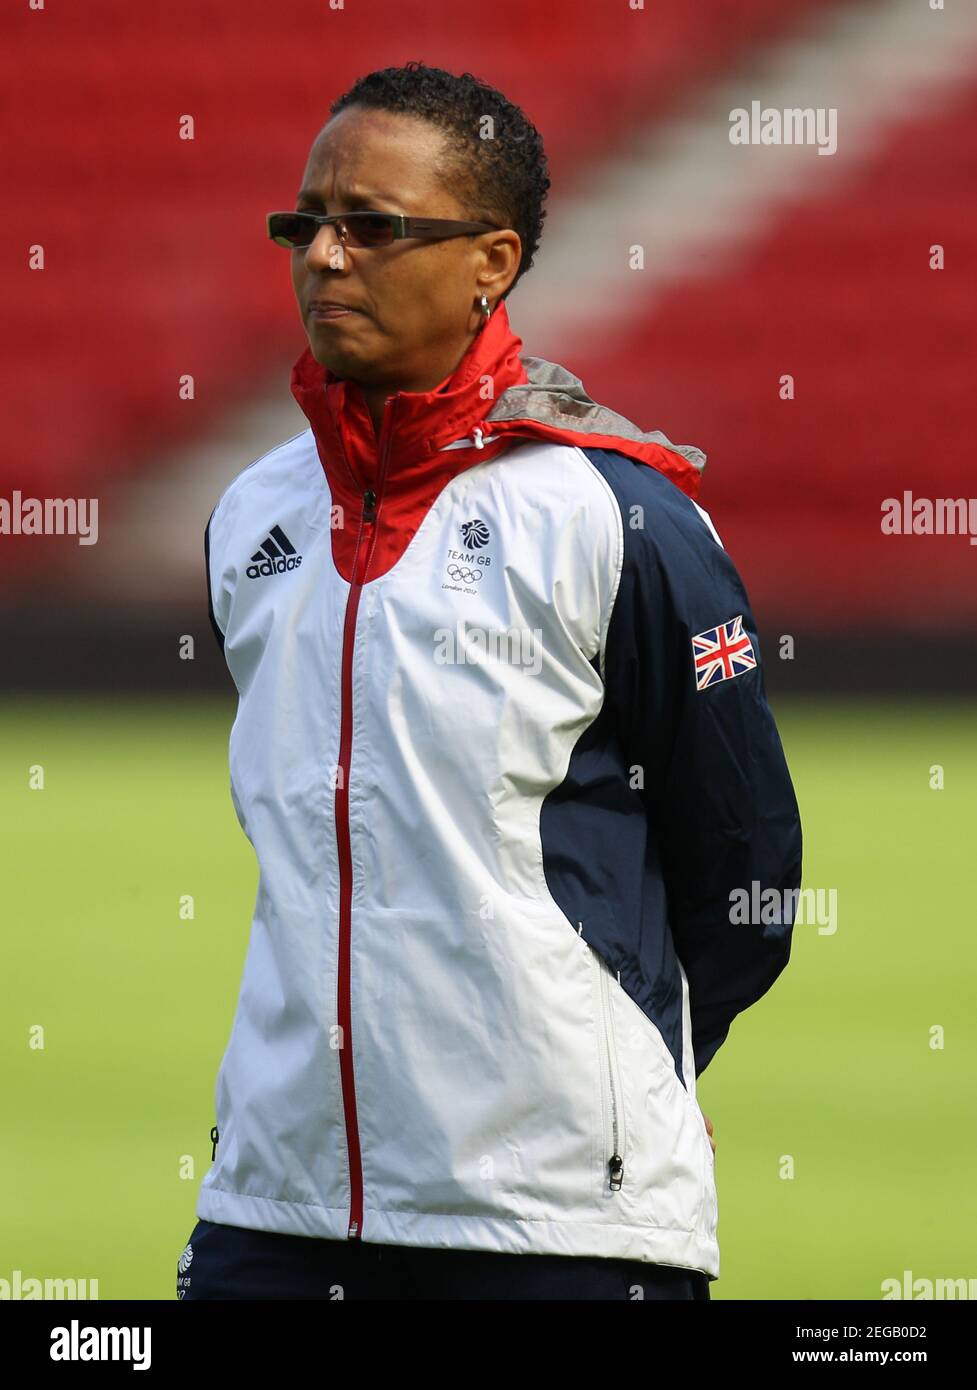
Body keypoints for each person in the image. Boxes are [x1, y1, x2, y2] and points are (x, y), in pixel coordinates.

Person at [178, 61, 802, 1302]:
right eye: (308, 223)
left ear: (492, 263)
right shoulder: (254, 513)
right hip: (278, 1204)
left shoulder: (616, 517)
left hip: (555, 1228)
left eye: (375, 227)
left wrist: (648, 1053)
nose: (325, 257)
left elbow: (748, 866)